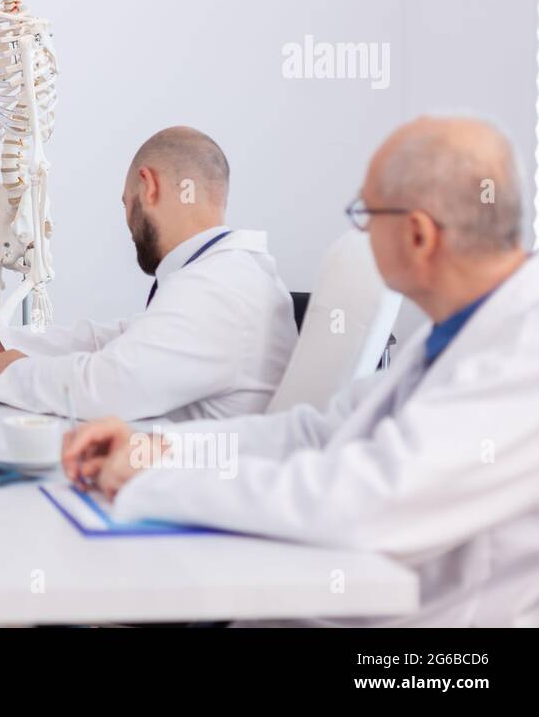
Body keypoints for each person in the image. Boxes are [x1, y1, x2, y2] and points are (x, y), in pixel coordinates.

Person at [66, 117, 539, 626]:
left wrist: (155, 477)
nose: (360, 231)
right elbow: (313, 431)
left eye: (366, 213)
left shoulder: (521, 356)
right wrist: (160, 447)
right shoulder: (457, 328)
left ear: (418, 235)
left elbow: (363, 503)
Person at [0, 127, 297, 422]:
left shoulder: (219, 289)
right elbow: (116, 339)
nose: (129, 224)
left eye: (126, 204)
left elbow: (111, 384)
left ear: (148, 187)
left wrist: (17, 371)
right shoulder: (223, 275)